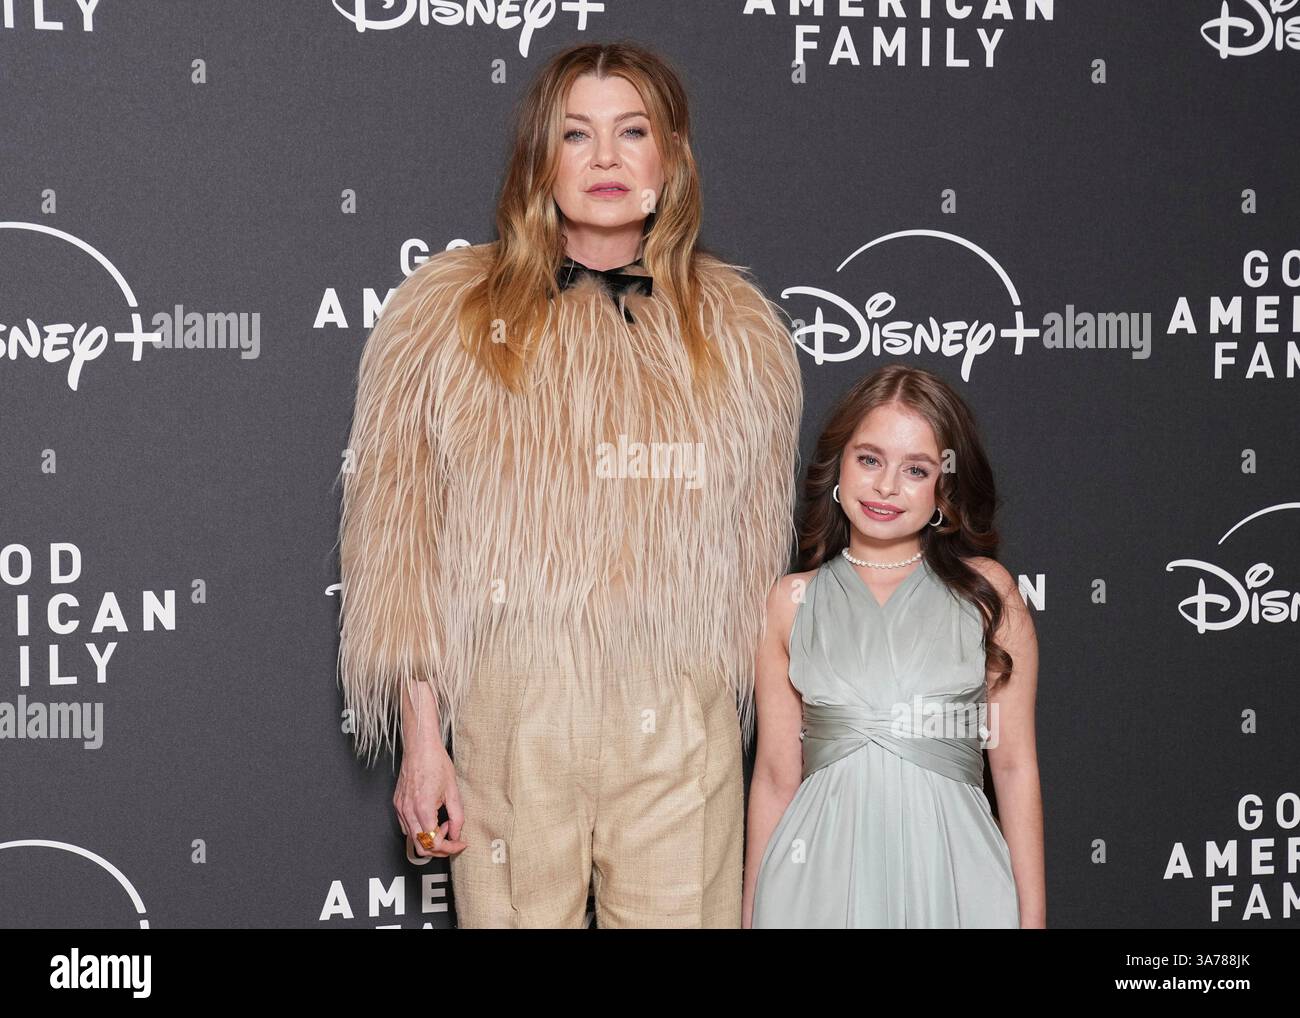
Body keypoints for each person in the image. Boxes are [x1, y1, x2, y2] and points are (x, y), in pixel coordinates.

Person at [334, 41, 803, 928]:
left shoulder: (740, 334)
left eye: (633, 131)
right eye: (576, 134)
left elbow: (753, 576)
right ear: (539, 159)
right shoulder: (445, 315)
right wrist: (423, 739)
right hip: (513, 700)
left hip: (680, 706)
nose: (606, 158)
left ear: (670, 157)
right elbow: (398, 541)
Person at [744, 364, 1045, 928]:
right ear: (839, 465)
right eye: (869, 459)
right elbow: (776, 777)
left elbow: (1013, 767)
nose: (886, 486)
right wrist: (752, 916)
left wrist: (1033, 921)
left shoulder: (988, 595)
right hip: (815, 882)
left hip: (953, 875)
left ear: (944, 487)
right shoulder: (791, 601)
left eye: (916, 469)